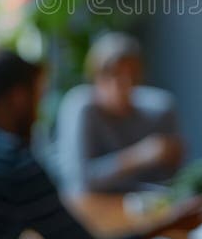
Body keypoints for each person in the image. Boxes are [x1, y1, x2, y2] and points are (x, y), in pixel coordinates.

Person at [0, 49, 202, 239]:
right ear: (18, 98)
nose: (39, 111)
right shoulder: (12, 162)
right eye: (38, 97)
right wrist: (171, 225)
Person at [58, 32, 183, 193]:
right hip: (94, 207)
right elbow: (80, 180)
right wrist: (141, 155)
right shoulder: (81, 108)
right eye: (113, 74)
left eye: (131, 75)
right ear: (95, 78)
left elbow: (172, 178)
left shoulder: (161, 108)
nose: (123, 84)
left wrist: (172, 156)